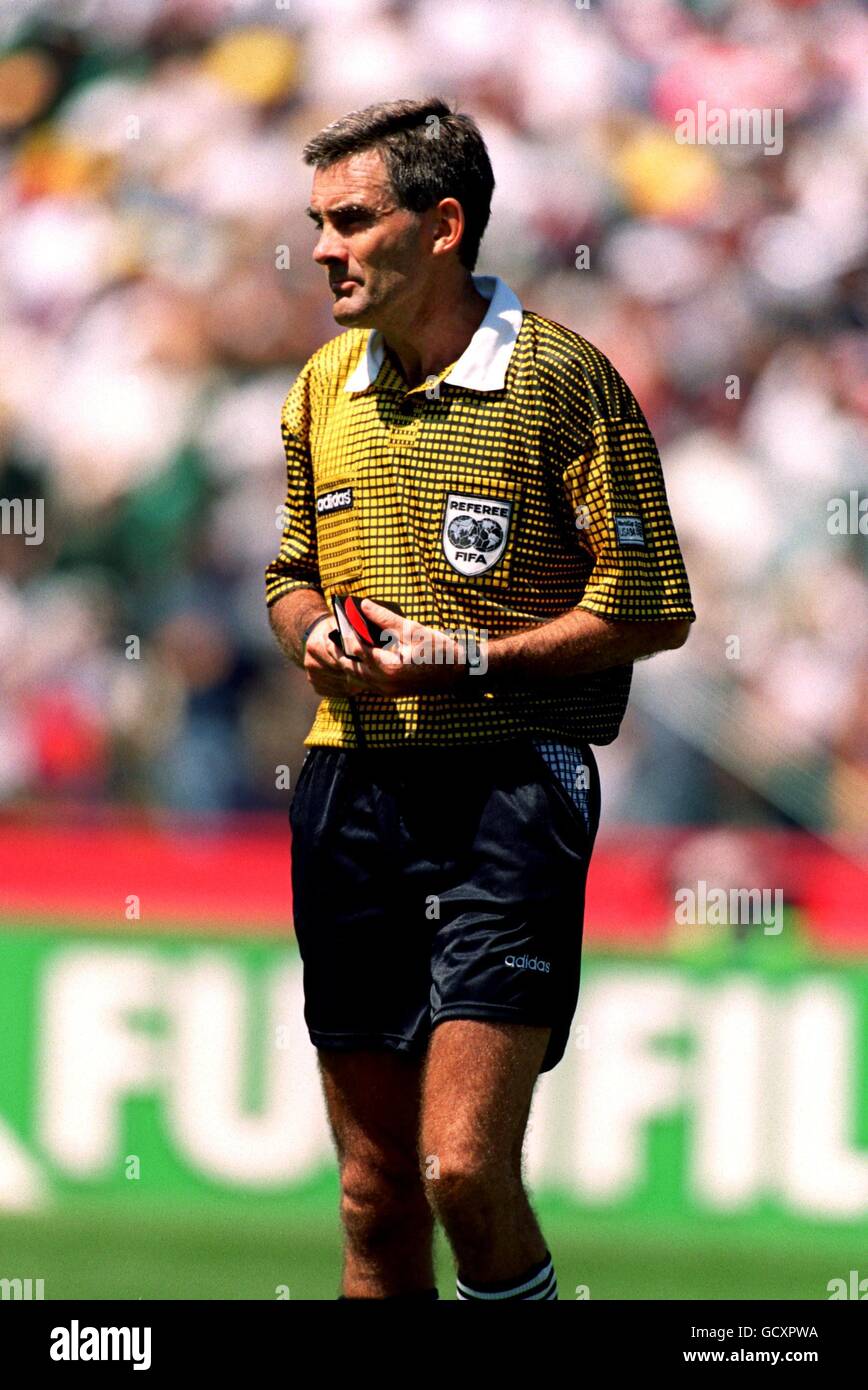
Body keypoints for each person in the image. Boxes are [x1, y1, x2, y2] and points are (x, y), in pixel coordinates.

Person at [266, 97, 695, 1301]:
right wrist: (314, 638)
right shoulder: (317, 389)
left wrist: (468, 658)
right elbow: (290, 575)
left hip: (511, 785)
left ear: (443, 225)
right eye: (315, 222)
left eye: (350, 221)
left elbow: (654, 603)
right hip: (351, 783)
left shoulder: (562, 382)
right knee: (371, 1193)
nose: (320, 249)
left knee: (460, 1165)